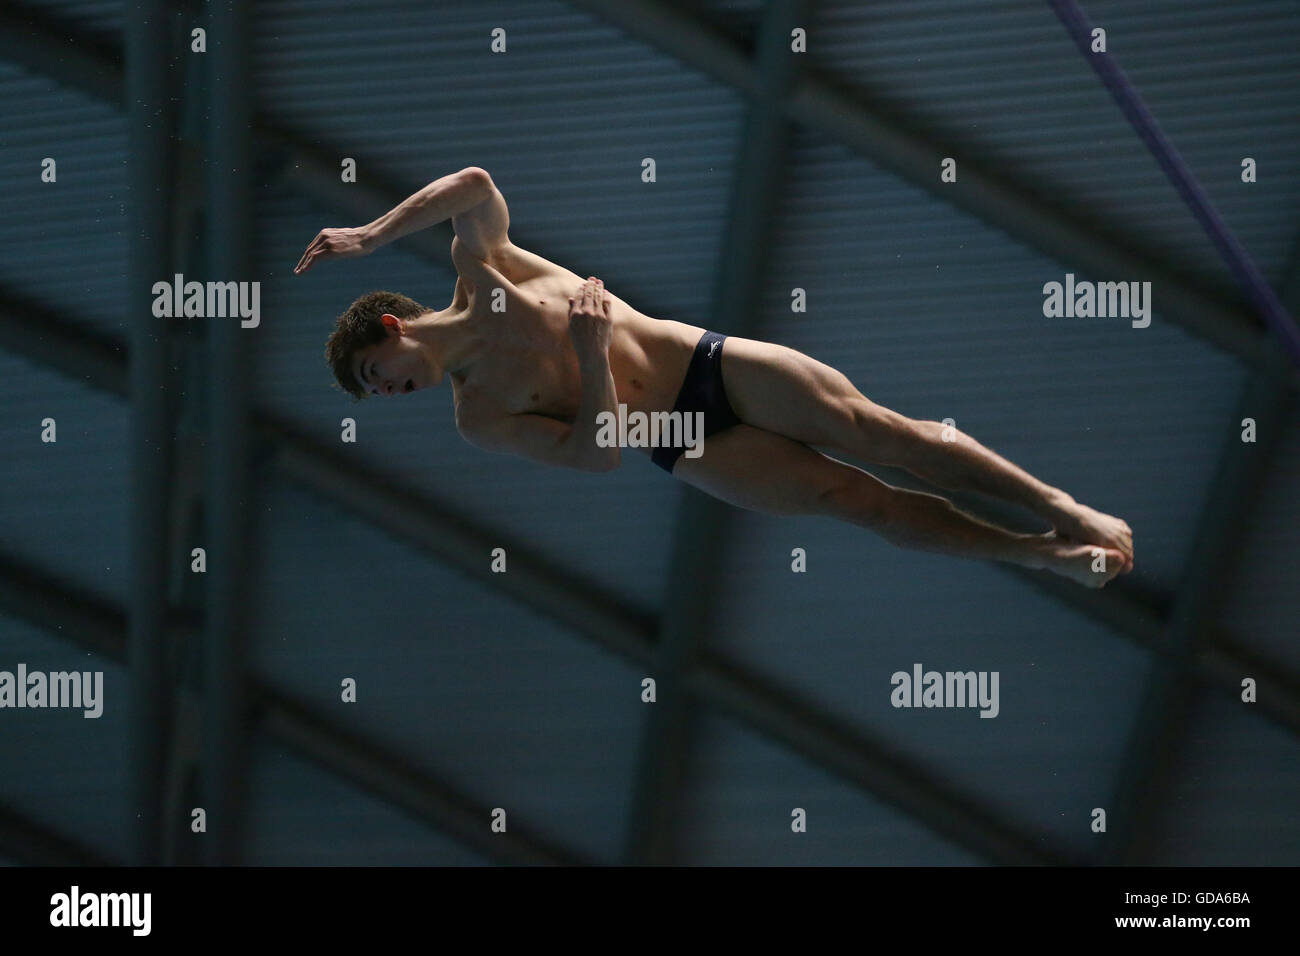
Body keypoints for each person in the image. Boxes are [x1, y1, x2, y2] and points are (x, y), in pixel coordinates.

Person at [295, 167, 1134, 588]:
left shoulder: (482, 262)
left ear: (393, 328)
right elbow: (595, 457)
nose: (389, 392)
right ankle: (1037, 556)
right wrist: (588, 361)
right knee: (856, 501)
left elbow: (472, 184)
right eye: (379, 395)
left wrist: (369, 235)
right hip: (677, 439)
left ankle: (1060, 508)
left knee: (883, 436)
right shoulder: (477, 414)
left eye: (378, 373)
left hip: (704, 363)